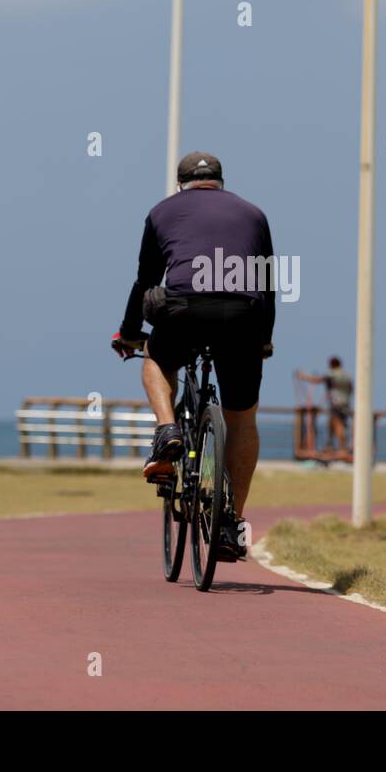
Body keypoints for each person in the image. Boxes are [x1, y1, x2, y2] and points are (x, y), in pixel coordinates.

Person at [113, 152, 274, 561]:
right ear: (221, 182)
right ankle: (230, 522)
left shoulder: (161, 211)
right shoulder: (253, 214)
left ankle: (167, 430)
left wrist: (131, 333)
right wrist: (264, 340)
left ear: (181, 184)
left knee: (156, 359)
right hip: (244, 314)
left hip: (182, 309)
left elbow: (145, 280)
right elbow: (269, 285)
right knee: (242, 417)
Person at [297, 357, 352, 453]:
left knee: (338, 425)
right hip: (345, 403)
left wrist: (303, 376)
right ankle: (331, 446)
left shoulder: (332, 374)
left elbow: (317, 380)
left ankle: (342, 448)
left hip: (336, 404)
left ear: (331, 365)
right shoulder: (346, 375)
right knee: (332, 424)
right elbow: (351, 388)